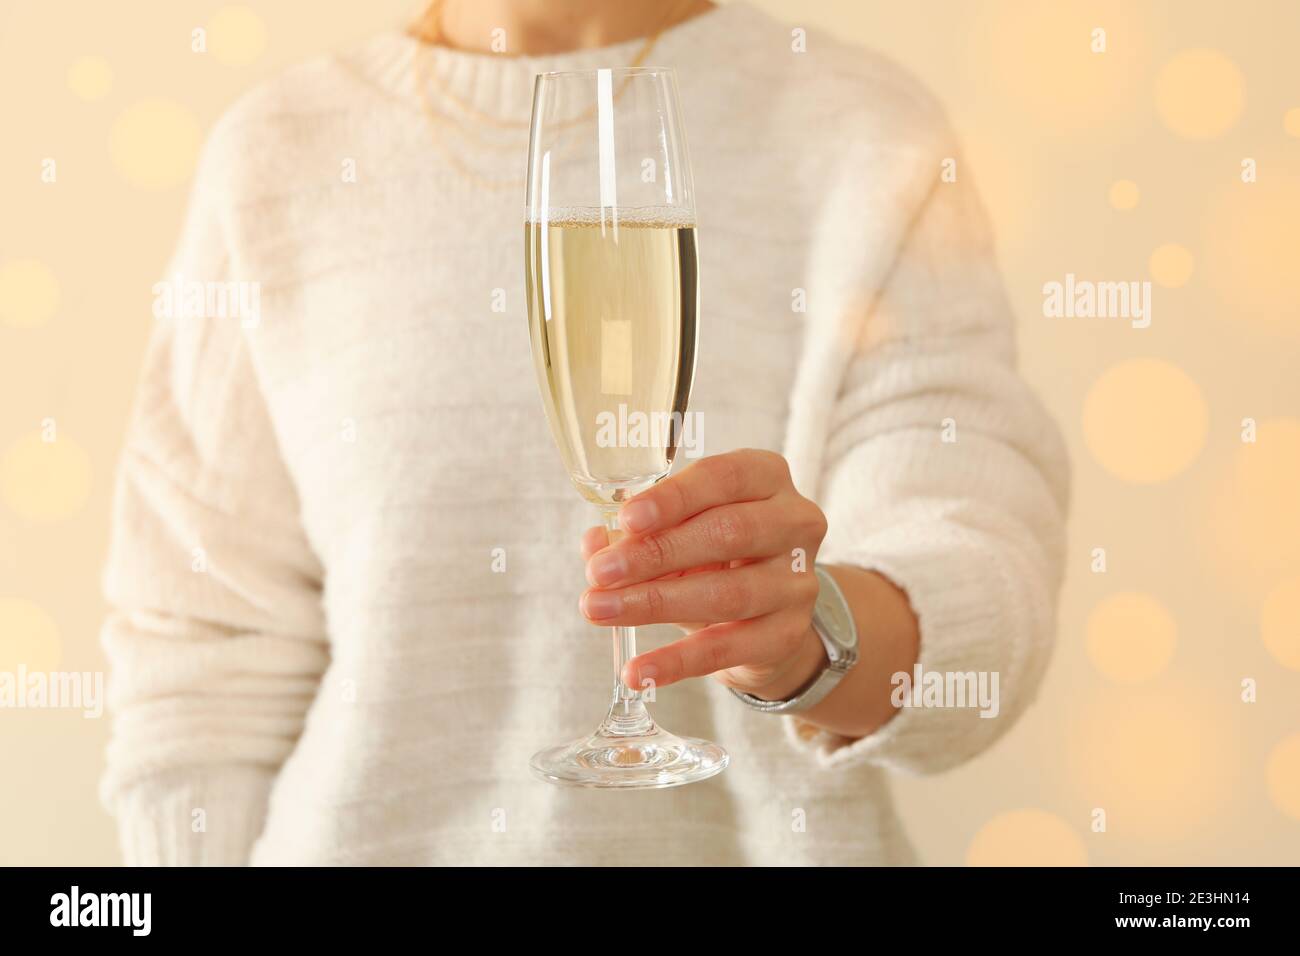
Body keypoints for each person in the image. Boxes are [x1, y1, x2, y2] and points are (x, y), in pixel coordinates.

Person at [100, 0, 1069, 865]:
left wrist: (808, 637)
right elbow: (198, 656)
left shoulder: (865, 132)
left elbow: (980, 580)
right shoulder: (278, 151)